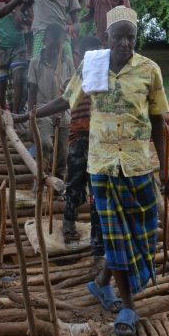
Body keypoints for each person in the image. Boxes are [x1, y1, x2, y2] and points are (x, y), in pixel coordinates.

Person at [21, 6, 169, 336]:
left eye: (131, 37)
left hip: (136, 165)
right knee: (116, 238)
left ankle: (100, 282)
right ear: (107, 38)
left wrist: (165, 168)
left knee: (145, 234)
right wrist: (31, 114)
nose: (125, 44)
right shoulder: (93, 64)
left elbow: (158, 120)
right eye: (119, 37)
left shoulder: (149, 70)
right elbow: (67, 99)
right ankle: (128, 305)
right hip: (102, 166)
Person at [61, 36, 104, 248]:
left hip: (100, 140)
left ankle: (97, 243)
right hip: (79, 139)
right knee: (74, 186)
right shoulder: (77, 78)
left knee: (97, 193)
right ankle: (68, 225)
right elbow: (64, 100)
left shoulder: (107, 77)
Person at [27, 23, 73, 174]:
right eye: (52, 46)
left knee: (63, 152)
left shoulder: (67, 62)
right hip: (43, 109)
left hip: (63, 111)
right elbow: (31, 91)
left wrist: (63, 110)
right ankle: (41, 175)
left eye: (58, 46)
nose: (55, 50)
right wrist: (31, 115)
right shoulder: (35, 63)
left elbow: (72, 90)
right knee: (46, 144)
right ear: (45, 42)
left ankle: (59, 179)